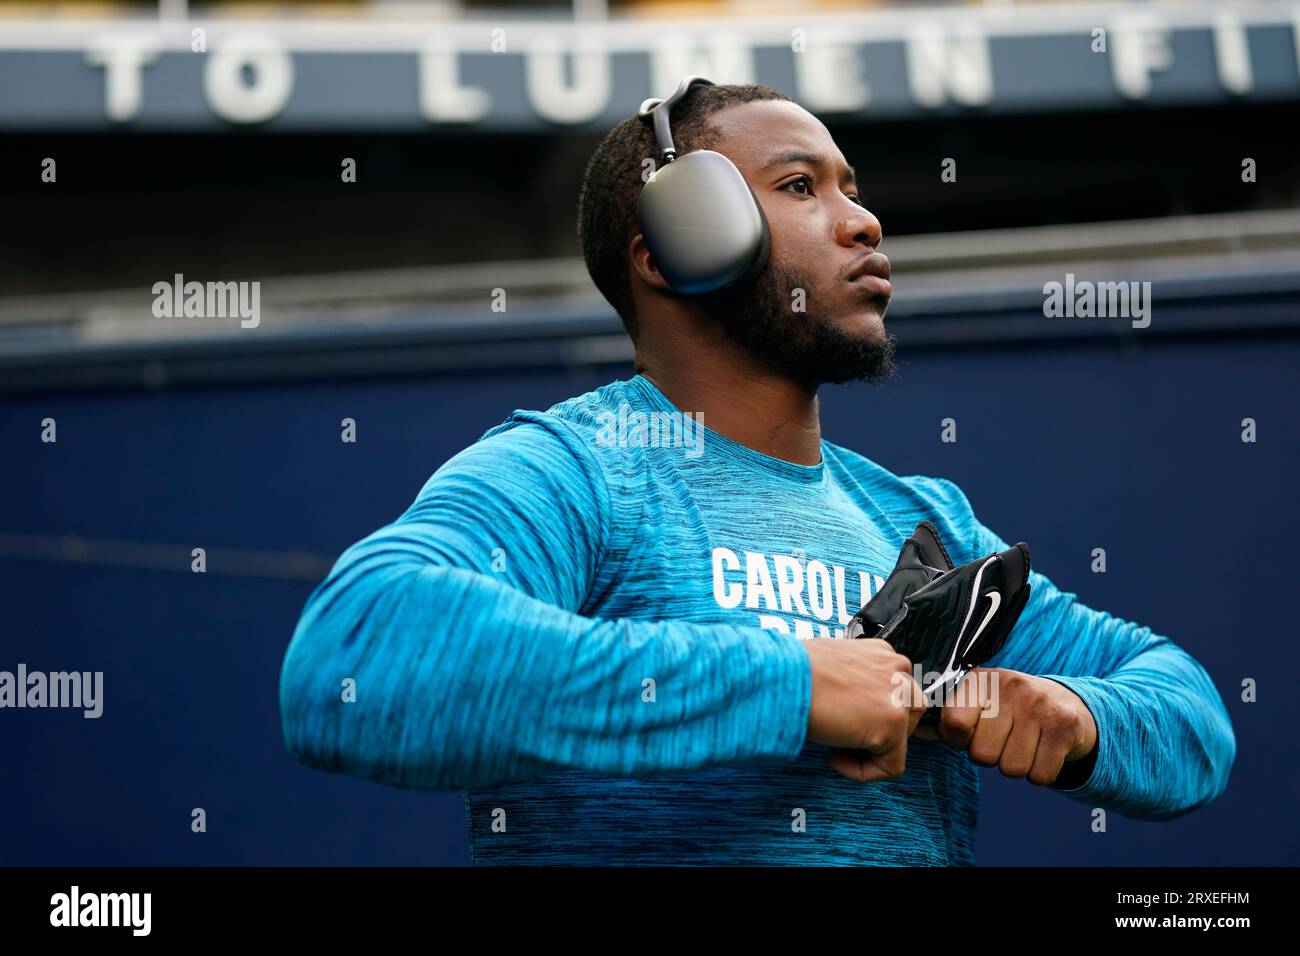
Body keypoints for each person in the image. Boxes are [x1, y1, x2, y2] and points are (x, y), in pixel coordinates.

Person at [278, 82, 1235, 865]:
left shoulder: (923, 519)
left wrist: (1074, 717)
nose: (862, 221)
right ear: (678, 245)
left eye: (851, 185)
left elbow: (1191, 714)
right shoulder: (575, 470)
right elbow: (354, 658)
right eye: (800, 186)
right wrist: (790, 686)